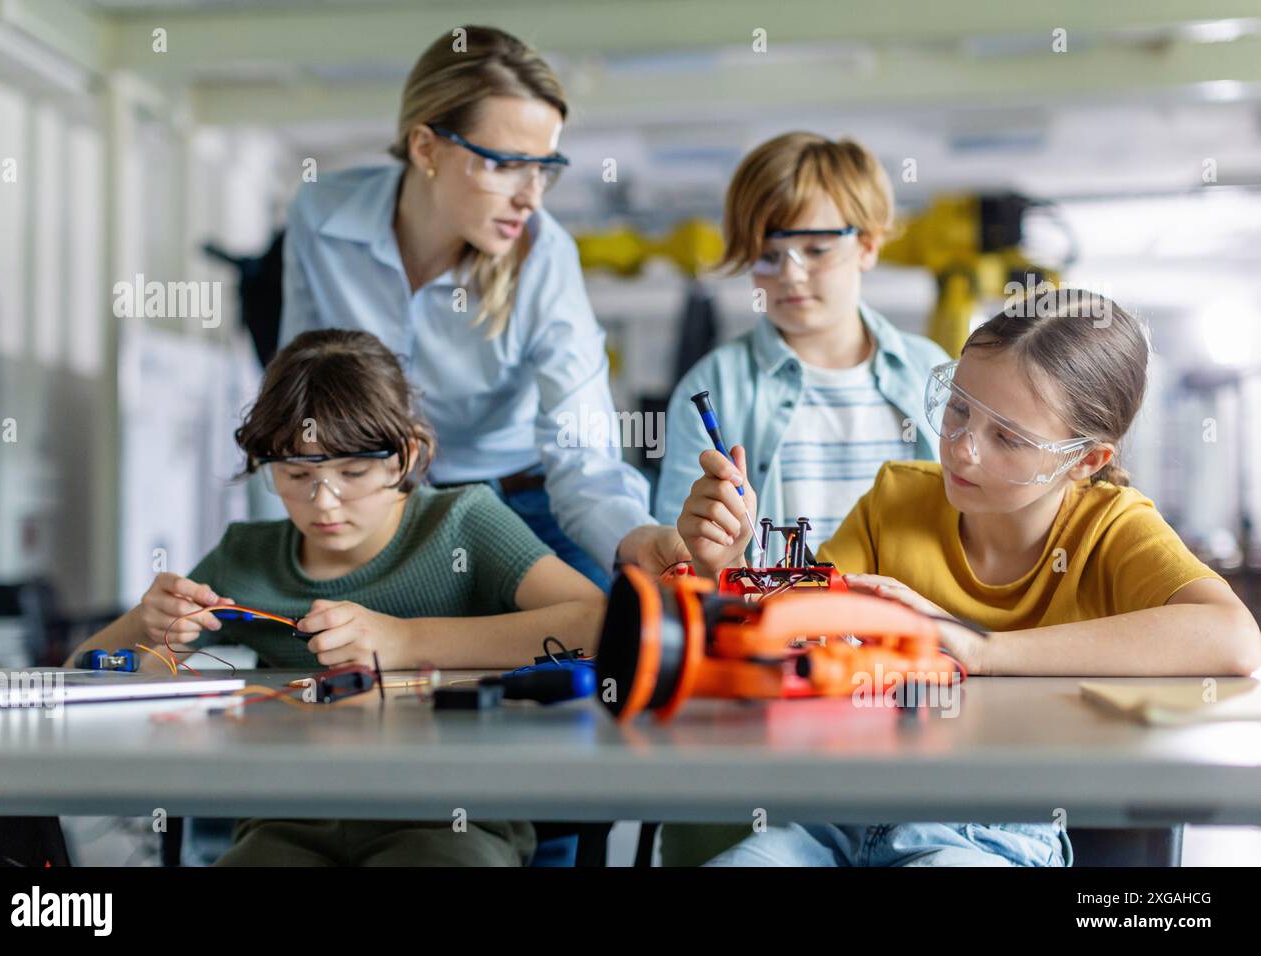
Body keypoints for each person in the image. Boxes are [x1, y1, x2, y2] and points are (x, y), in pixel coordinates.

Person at [678, 290, 1260, 866]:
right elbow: (794, 634)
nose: (961, 450)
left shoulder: (1111, 531)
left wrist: (979, 650)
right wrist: (725, 567)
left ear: (1085, 460)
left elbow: (1233, 639)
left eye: (1007, 437)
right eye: (958, 409)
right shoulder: (895, 499)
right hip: (838, 812)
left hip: (994, 831)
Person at [68, 329, 606, 865]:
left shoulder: (464, 522)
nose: (323, 502)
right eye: (297, 474)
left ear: (404, 458)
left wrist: (405, 640)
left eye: (351, 472)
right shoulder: (245, 557)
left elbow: (596, 621)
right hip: (286, 821)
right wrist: (146, 622)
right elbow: (81, 680)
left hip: (451, 817)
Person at [279, 25, 688, 589]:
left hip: (530, 508)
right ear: (426, 148)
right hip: (389, 511)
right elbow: (300, 395)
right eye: (505, 164)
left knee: (595, 650)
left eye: (544, 168)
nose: (532, 197)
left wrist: (636, 538)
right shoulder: (320, 217)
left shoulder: (544, 259)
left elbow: (582, 448)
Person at [654, 132, 949, 558]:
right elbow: (678, 553)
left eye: (816, 249)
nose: (791, 275)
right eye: (769, 255)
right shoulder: (713, 384)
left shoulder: (931, 372)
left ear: (867, 245)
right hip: (771, 620)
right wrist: (710, 552)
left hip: (905, 622)